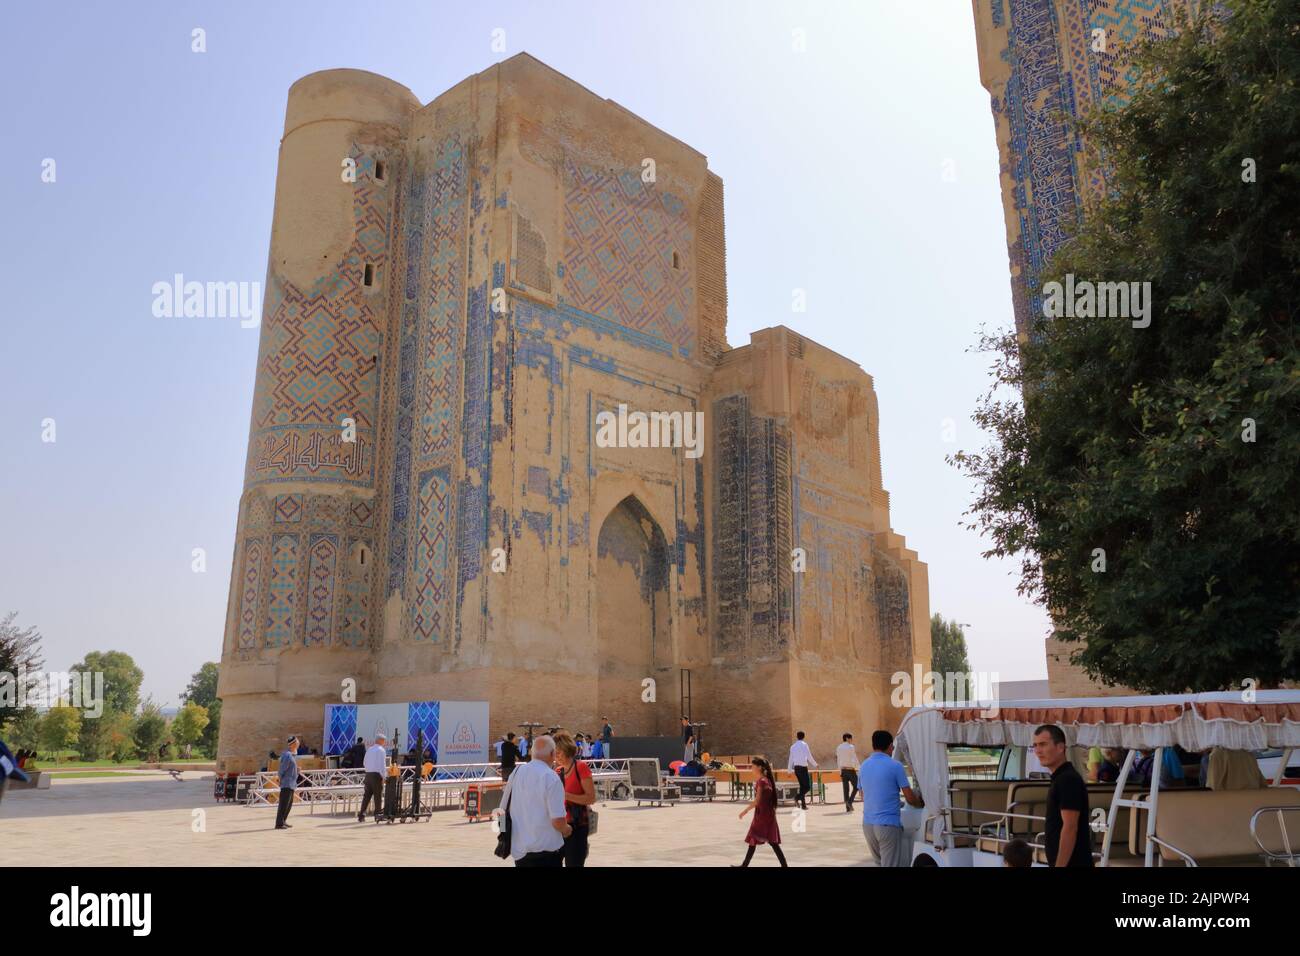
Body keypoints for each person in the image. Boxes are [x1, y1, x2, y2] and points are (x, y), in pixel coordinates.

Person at [500, 734, 570, 866]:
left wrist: (503, 835)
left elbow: (501, 812)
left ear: (532, 753)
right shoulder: (551, 777)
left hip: (520, 853)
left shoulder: (516, 773)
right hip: (547, 854)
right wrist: (567, 830)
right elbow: (558, 821)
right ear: (552, 754)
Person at [1032, 724, 1093, 867]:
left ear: (1060, 747)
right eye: (1035, 745)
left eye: (1043, 744)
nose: (1038, 751)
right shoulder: (1060, 778)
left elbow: (1070, 827)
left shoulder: (1067, 780)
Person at [860, 729, 923, 867]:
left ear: (873, 745)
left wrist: (894, 802)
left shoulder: (863, 765)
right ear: (890, 746)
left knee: (880, 863)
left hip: (868, 825)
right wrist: (919, 802)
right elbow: (910, 798)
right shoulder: (895, 766)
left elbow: (864, 795)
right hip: (887, 825)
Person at [553, 733, 596, 867]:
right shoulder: (557, 771)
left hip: (577, 826)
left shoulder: (580, 767)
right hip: (559, 826)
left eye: (558, 753)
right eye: (554, 753)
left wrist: (565, 795)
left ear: (567, 750)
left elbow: (591, 798)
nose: (556, 756)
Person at [737, 756, 787, 867]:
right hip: (767, 814)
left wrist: (744, 811)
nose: (751, 768)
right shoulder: (767, 780)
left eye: (753, 766)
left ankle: (744, 865)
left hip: (762, 816)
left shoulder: (762, 781)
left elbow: (757, 801)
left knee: (756, 838)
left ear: (759, 767)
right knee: (769, 842)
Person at [358, 732, 387, 822]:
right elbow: (382, 764)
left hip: (368, 774)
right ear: (380, 740)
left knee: (366, 796)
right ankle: (378, 814)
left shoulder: (370, 749)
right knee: (377, 796)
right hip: (376, 775)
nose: (384, 742)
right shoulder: (381, 750)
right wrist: (384, 776)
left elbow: (364, 762)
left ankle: (361, 815)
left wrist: (368, 770)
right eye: (383, 740)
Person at [787, 731, 818, 810]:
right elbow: (809, 756)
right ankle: (797, 797)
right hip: (803, 768)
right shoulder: (804, 745)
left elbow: (790, 759)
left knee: (802, 787)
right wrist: (815, 764)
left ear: (797, 737)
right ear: (804, 737)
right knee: (807, 787)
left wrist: (789, 771)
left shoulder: (793, 746)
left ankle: (803, 805)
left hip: (796, 768)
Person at [275, 736, 299, 830]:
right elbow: (282, 769)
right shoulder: (287, 755)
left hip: (291, 783)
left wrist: (297, 770)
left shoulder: (292, 755)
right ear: (293, 744)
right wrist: (279, 778)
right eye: (297, 741)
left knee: (288, 804)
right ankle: (279, 824)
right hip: (286, 783)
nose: (298, 743)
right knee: (283, 804)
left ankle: (283, 821)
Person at [836, 732, 861, 812]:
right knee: (857, 786)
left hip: (843, 770)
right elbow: (854, 758)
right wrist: (859, 768)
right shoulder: (851, 747)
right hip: (850, 770)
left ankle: (847, 807)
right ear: (847, 738)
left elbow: (838, 760)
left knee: (846, 789)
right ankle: (850, 802)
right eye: (850, 738)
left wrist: (840, 771)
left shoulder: (838, 747)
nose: (851, 740)